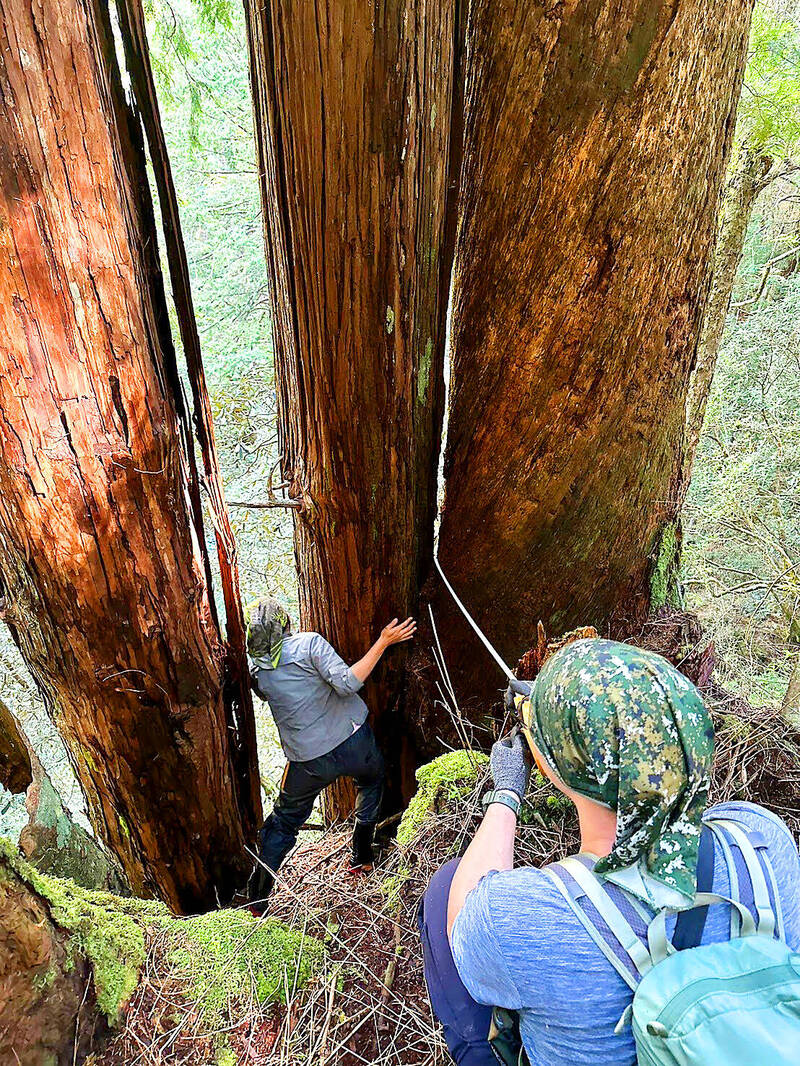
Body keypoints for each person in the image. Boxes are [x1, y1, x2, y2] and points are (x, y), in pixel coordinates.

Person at [418, 638, 800, 1066]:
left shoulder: (517, 918)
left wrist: (506, 793)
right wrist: (557, 711)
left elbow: (464, 919)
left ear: (553, 766)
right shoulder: (762, 838)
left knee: (443, 892)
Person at [246, 597, 415, 913]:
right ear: (285, 625)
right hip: (354, 742)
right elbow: (348, 684)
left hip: (308, 762)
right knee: (372, 780)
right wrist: (383, 641)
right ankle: (361, 858)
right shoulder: (309, 644)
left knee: (284, 821)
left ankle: (256, 899)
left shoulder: (257, 672)